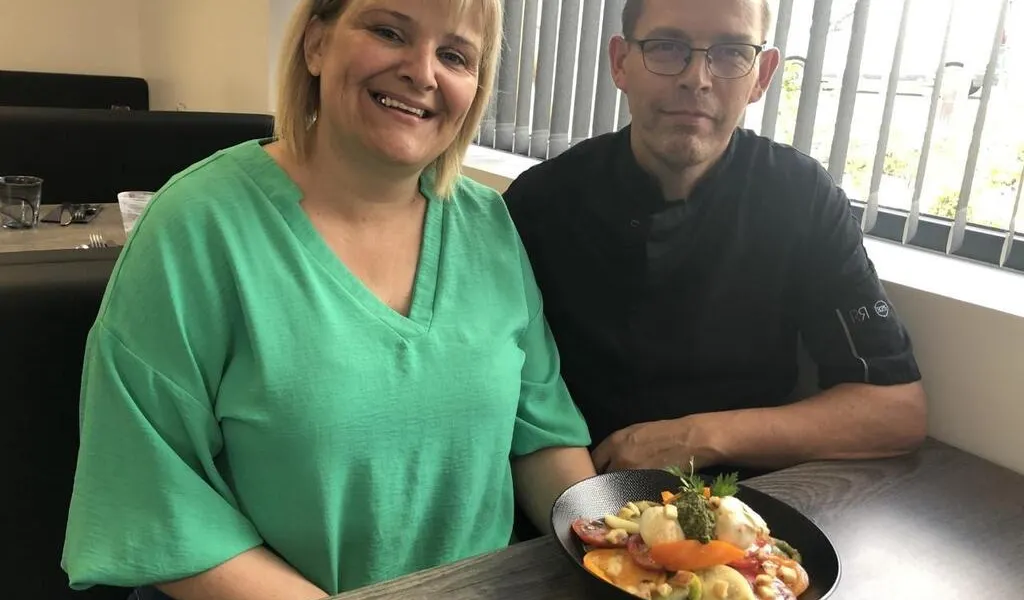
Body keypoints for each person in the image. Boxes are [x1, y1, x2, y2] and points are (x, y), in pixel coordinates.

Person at [61, 0, 596, 598]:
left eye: (454, 55)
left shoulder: (488, 223)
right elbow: (153, 501)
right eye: (389, 31)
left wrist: (625, 550)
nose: (423, 73)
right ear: (316, 44)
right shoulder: (196, 226)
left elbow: (542, 432)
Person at [502, 0, 927, 477]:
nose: (697, 78)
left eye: (729, 52)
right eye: (667, 47)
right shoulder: (540, 201)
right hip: (565, 493)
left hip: (744, 511)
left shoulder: (800, 196)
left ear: (762, 76)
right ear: (621, 63)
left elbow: (895, 411)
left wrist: (701, 437)